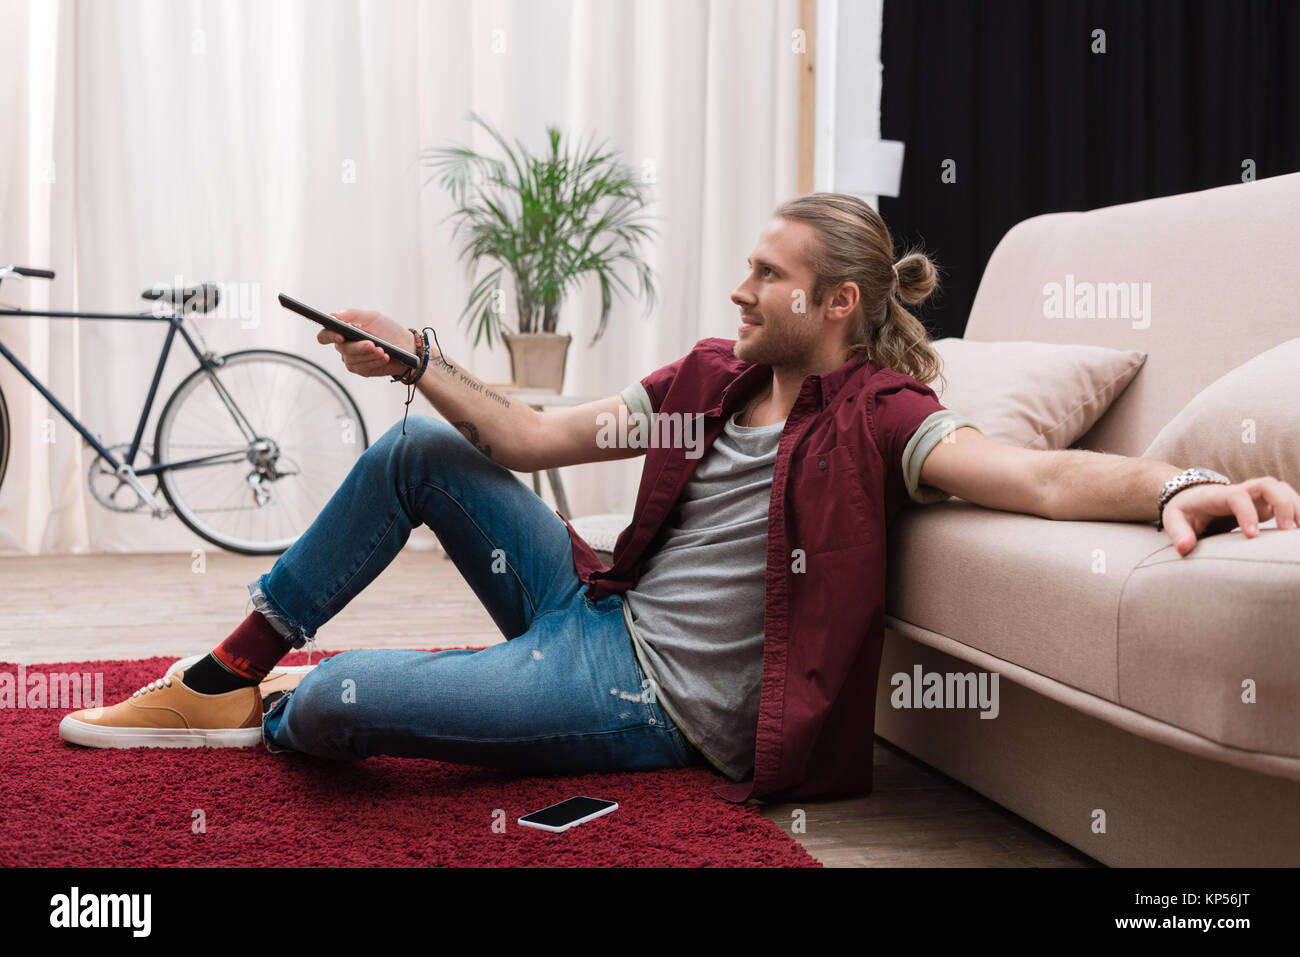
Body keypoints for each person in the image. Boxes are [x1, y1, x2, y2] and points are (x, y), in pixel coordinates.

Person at [59, 193, 1299, 803]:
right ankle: (223, 678)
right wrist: (418, 357)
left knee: (336, 705)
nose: (739, 291)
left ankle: (283, 696)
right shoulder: (710, 382)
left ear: (838, 307)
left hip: (640, 696)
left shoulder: (880, 423)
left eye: (769, 275)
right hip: (588, 609)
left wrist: (1176, 482)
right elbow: (532, 433)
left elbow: (1033, 472)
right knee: (414, 455)